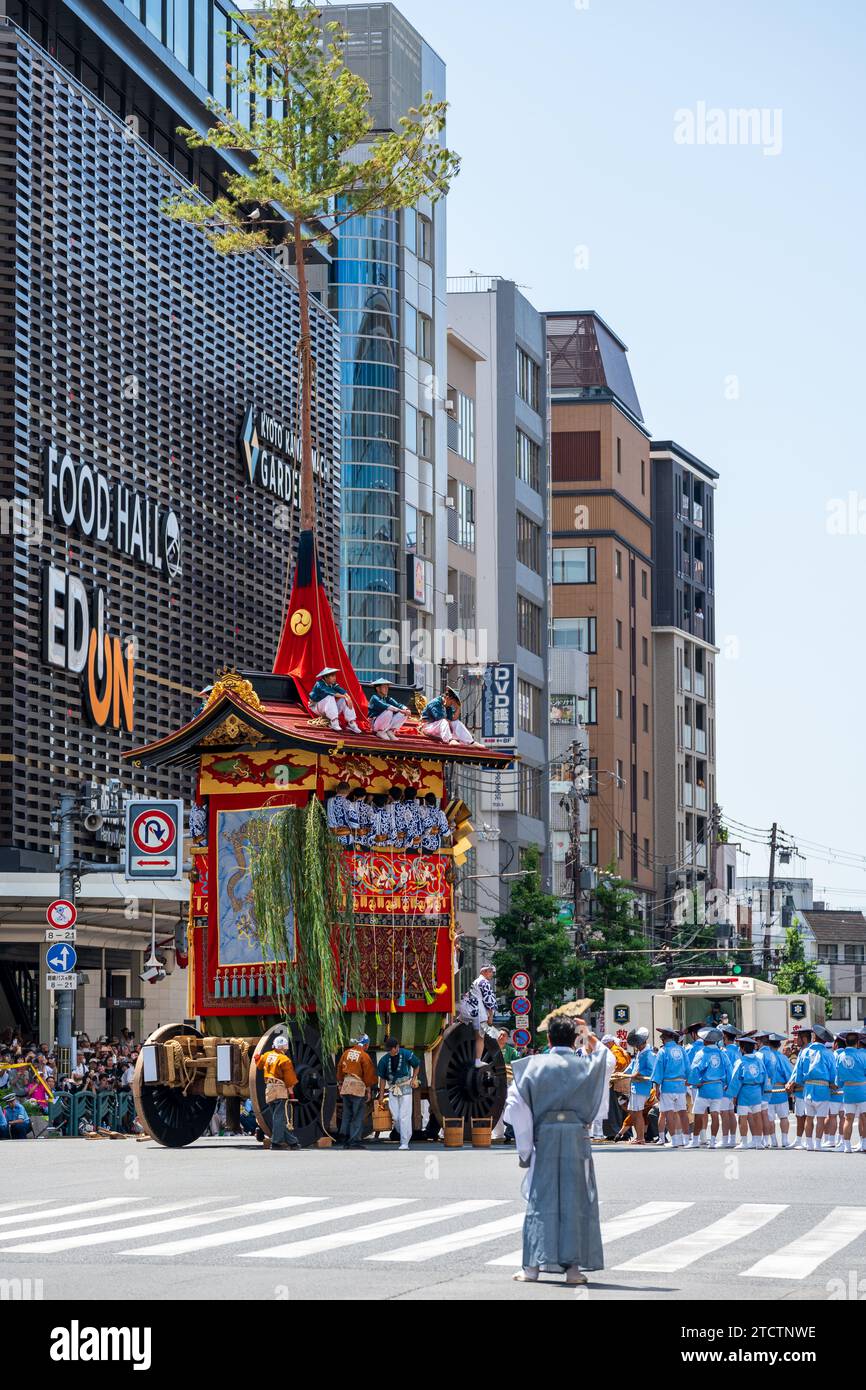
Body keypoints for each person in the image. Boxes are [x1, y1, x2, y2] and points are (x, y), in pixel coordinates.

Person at [503, 1015, 608, 1286]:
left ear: (548, 1038)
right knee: (576, 1200)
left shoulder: (532, 1066)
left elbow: (515, 1105)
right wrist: (589, 1035)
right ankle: (573, 1270)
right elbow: (607, 1062)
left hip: (545, 1137)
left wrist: (525, 1149)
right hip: (576, 1137)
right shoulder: (585, 1065)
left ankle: (532, 1269)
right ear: (576, 1038)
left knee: (541, 1200)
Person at [787, 1024, 835, 1151]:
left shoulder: (805, 1052)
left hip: (807, 1088)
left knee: (809, 1117)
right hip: (823, 1089)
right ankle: (818, 1144)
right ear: (825, 1040)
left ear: (814, 1037)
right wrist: (833, 1084)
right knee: (820, 1118)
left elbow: (798, 1073)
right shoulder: (828, 1053)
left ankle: (809, 1144)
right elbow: (833, 1074)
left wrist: (801, 1083)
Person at [253, 1036, 300, 1150]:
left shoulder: (267, 1055)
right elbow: (289, 1080)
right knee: (279, 1117)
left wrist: (256, 1058)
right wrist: (292, 1094)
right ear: (284, 1047)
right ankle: (276, 1142)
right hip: (279, 1090)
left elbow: (259, 1065)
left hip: (269, 1090)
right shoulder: (284, 1059)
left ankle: (292, 1142)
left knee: (278, 1117)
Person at [687, 1029, 731, 1148]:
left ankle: (695, 1140)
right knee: (715, 1114)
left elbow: (695, 1069)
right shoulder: (722, 1053)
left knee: (698, 1114)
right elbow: (729, 1069)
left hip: (705, 1087)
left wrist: (694, 1082)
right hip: (718, 1087)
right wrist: (727, 1083)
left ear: (705, 1041)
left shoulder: (701, 1053)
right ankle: (712, 1141)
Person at [376, 1036, 420, 1150]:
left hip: (405, 1087)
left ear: (397, 1047)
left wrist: (414, 1078)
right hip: (392, 1088)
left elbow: (416, 1065)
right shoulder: (384, 1060)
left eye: (391, 1049)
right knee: (396, 1116)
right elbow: (382, 1079)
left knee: (404, 1116)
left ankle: (405, 1142)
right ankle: (406, 1133)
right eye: (388, 1050)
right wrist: (381, 1095)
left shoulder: (406, 1054)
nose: (390, 1051)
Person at [650, 1027, 690, 1148]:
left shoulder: (663, 1051)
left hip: (667, 1085)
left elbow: (658, 1071)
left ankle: (674, 1140)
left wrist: (656, 1088)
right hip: (681, 1085)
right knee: (683, 1113)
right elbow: (688, 1067)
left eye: (662, 1037)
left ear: (664, 1038)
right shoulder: (681, 1049)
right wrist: (688, 1080)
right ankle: (686, 1139)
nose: (661, 1039)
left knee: (669, 1114)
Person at [336, 1034, 377, 1150]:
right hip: (357, 1087)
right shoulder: (364, 1056)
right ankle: (354, 1140)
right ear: (365, 1044)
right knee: (357, 1114)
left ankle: (345, 1138)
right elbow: (368, 1075)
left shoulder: (346, 1053)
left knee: (347, 1113)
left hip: (346, 1085)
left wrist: (340, 1085)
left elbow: (339, 1068)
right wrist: (368, 1090)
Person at [728, 1036, 770, 1148]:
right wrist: (764, 1091)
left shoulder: (740, 1062)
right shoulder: (759, 1061)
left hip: (744, 1091)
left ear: (742, 1049)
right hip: (757, 1091)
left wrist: (733, 1095)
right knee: (757, 1116)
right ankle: (758, 1142)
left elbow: (735, 1079)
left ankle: (744, 1142)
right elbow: (765, 1077)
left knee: (743, 1117)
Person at [456, 965, 497, 1066]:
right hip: (480, 1012)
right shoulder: (484, 982)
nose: (492, 974)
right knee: (480, 1038)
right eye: (491, 972)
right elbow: (489, 1000)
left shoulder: (476, 981)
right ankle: (477, 1060)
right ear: (485, 972)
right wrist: (490, 1016)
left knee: (477, 1036)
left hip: (472, 1011)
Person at [835, 1029, 866, 1153]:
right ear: (857, 1042)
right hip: (862, 1089)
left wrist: (840, 1084)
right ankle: (864, 1143)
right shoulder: (862, 1055)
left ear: (846, 1042)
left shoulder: (840, 1056)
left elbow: (838, 1078)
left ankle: (847, 1146)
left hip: (847, 1090)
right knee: (864, 1117)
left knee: (848, 1118)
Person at [309, 666, 362, 734]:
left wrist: (348, 697)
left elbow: (341, 690)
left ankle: (351, 723)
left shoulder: (332, 684)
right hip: (316, 707)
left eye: (335, 675)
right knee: (330, 696)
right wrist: (346, 697)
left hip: (326, 707)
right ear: (325, 677)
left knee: (343, 699)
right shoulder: (319, 684)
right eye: (332, 676)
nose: (335, 678)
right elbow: (331, 692)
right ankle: (334, 721)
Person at [764, 1032, 793, 1148]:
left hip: (768, 1090)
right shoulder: (783, 1058)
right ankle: (785, 1140)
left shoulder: (764, 1056)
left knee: (770, 1118)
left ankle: (773, 1140)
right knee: (784, 1116)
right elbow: (789, 1074)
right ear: (779, 1045)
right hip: (781, 1089)